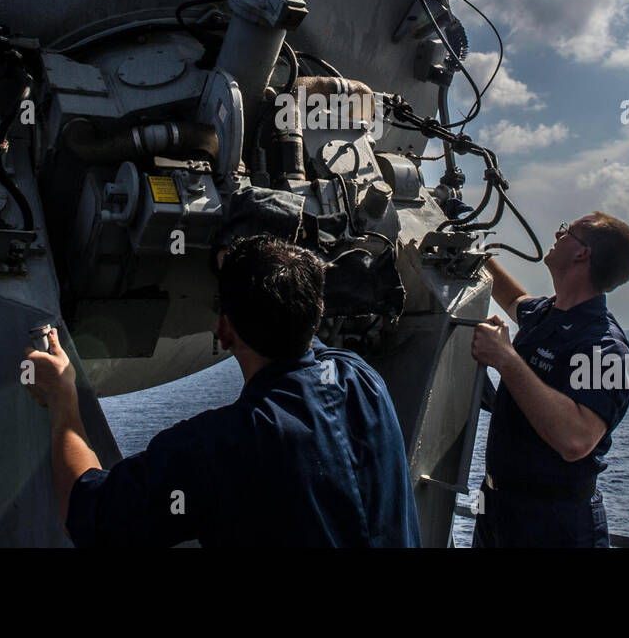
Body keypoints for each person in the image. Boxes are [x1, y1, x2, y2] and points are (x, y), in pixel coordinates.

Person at [23, 233, 421, 547]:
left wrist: (63, 403)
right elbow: (297, 333)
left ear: (224, 331)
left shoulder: (220, 448)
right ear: (315, 315)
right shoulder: (362, 379)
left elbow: (90, 515)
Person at [470, 211, 629, 548]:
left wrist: (505, 358)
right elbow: (511, 297)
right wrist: (477, 249)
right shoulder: (545, 314)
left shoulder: (605, 349)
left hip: (554, 522)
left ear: (582, 253)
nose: (558, 234)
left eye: (567, 232)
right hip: (498, 507)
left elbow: (576, 440)